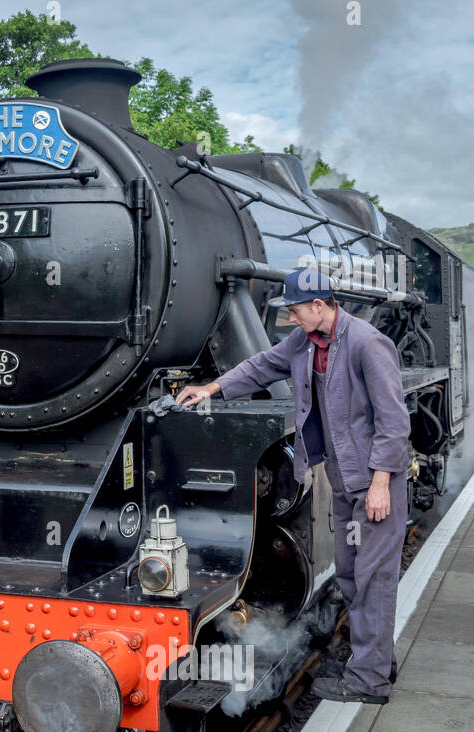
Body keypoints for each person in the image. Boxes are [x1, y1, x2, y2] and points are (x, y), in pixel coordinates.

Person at [175, 268, 411, 704]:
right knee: (350, 575)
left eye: (297, 311)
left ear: (320, 306)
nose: (291, 319)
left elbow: (394, 422)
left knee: (372, 579)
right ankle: (377, 661)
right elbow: (261, 366)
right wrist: (212, 387)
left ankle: (369, 683)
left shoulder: (367, 343)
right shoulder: (305, 342)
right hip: (344, 479)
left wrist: (381, 484)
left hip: (376, 484)